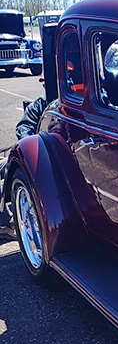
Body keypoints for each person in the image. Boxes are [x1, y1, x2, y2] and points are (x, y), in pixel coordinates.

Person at [0, 93, 48, 237]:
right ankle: (6, 222)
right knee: (4, 166)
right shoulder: (41, 104)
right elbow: (24, 128)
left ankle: (10, 224)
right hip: (35, 153)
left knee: (4, 184)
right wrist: (33, 149)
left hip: (50, 160)